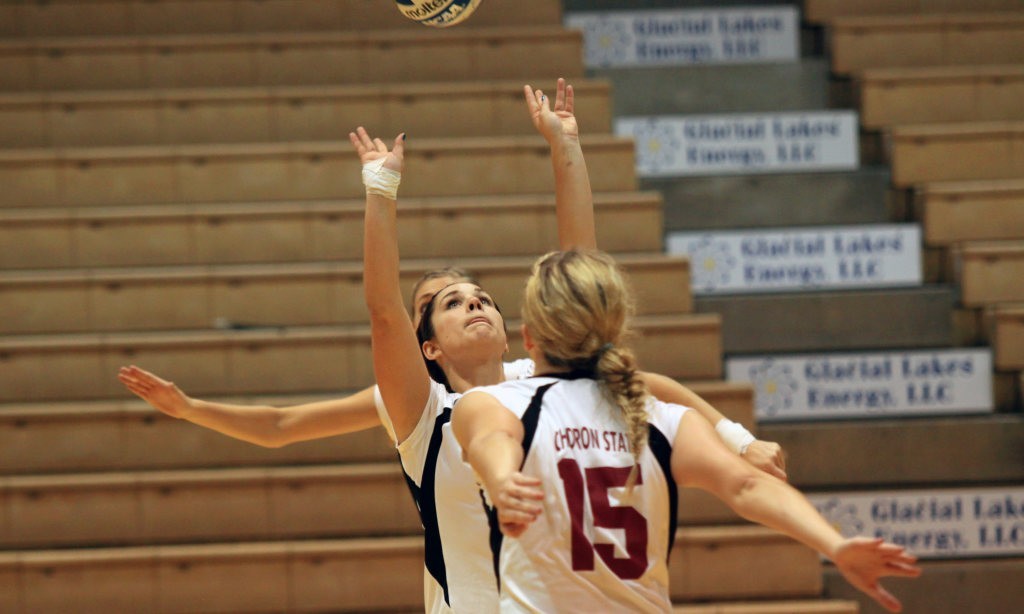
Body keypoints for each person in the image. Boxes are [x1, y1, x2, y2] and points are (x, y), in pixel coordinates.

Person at [117, 80, 785, 478]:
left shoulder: (544, 379)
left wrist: (566, 147)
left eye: (482, 296)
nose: (475, 303)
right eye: (446, 303)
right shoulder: (416, 406)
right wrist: (191, 409)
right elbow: (288, 417)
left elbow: (584, 275)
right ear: (425, 344)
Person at [452, 249, 922, 613]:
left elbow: (493, 441)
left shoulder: (493, 403)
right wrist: (833, 544)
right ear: (616, 327)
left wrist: (501, 482)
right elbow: (749, 484)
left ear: (530, 336)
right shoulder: (663, 416)